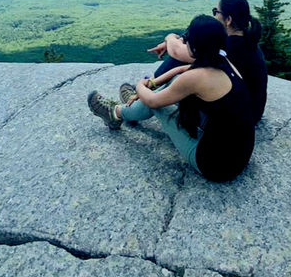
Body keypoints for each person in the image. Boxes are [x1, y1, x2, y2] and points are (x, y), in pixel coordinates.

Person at [86, 14, 255, 183]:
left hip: (215, 165)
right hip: (240, 155)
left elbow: (154, 101)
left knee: (155, 103)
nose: (184, 41)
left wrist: (140, 86)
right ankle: (134, 106)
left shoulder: (197, 78)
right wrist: (152, 83)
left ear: (195, 45)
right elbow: (182, 71)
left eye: (187, 38)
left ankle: (116, 113)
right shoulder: (222, 60)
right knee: (171, 85)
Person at [147, 0, 268, 123]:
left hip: (238, 116)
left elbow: (178, 52)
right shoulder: (244, 38)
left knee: (180, 62)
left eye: (216, 11)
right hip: (250, 110)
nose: (214, 15)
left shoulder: (229, 46)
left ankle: (149, 92)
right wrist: (178, 40)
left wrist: (170, 37)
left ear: (228, 20)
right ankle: (152, 89)